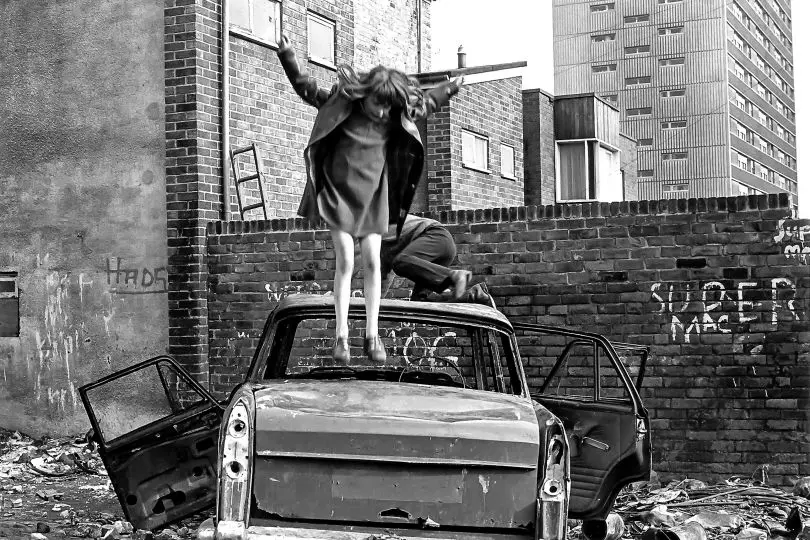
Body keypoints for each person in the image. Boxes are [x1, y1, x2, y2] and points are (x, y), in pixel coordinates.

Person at [277, 35, 463, 364]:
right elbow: (307, 88)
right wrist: (288, 56)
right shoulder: (341, 103)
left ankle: (373, 336)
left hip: (375, 198)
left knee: (374, 262)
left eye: (387, 107)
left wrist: (449, 88)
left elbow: (424, 104)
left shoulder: (392, 117)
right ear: (365, 94)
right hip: (339, 195)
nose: (380, 112)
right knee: (347, 260)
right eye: (377, 103)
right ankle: (342, 337)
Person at [381, 214, 496, 309]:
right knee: (420, 303)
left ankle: (454, 276)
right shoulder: (383, 249)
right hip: (440, 247)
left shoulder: (371, 228)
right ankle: (475, 296)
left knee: (400, 262)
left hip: (435, 235)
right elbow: (384, 277)